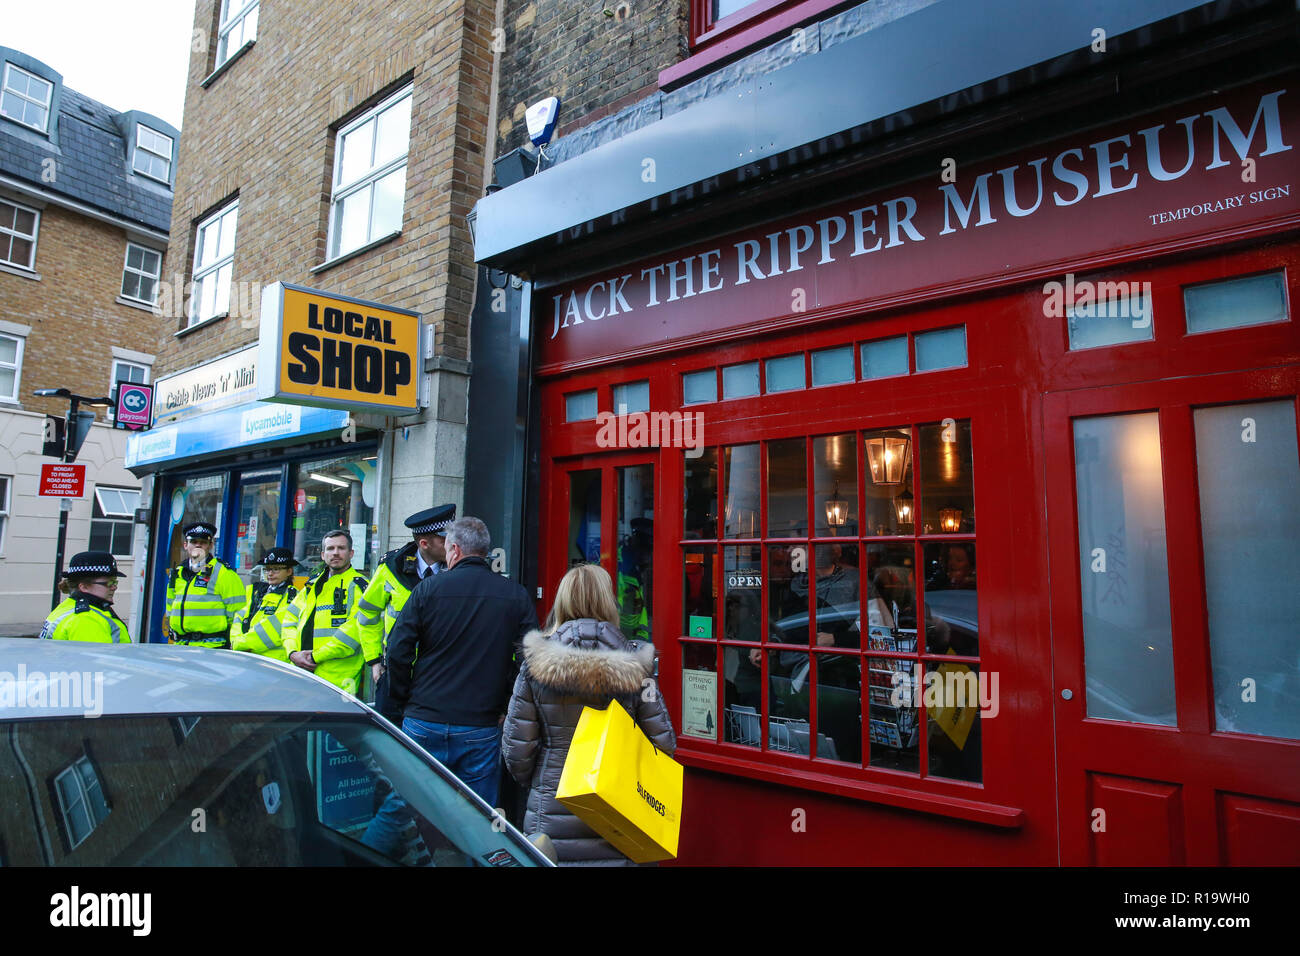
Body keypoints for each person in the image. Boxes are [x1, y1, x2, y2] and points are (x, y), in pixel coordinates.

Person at [502, 563, 676, 865]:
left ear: (563, 601)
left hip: (551, 815)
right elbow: (664, 745)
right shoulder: (639, 663)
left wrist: (545, 780)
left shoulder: (535, 664)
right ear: (608, 602)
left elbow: (517, 753)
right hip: (619, 815)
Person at [384, 516, 538, 807]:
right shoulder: (514, 595)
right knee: (478, 820)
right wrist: (507, 704)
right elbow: (529, 659)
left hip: (424, 718)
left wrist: (403, 699)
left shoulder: (428, 590)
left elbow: (397, 650)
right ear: (485, 551)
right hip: (479, 724)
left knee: (402, 808)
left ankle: (367, 852)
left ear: (453, 549)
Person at [351, 504, 455, 713]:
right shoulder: (391, 567)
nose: (453, 544)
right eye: (445, 539)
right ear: (424, 543)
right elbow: (367, 613)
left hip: (442, 674)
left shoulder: (458, 568)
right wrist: (374, 660)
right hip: (396, 673)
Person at [282, 531, 370, 695]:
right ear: (323, 555)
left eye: (341, 548)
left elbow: (352, 635)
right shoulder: (312, 586)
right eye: (330, 548)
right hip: (303, 674)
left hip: (338, 681)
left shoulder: (360, 586)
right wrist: (292, 653)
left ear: (351, 553)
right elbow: (289, 620)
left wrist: (313, 657)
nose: (335, 552)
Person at [164, 522, 245, 648]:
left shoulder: (224, 573)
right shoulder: (177, 573)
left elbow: (237, 612)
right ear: (185, 545)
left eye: (203, 542)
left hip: (213, 646)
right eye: (193, 541)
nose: (198, 545)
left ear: (211, 545)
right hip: (181, 645)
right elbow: (170, 606)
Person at [41, 552, 131, 643]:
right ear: (83, 587)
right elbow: (98, 656)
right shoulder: (86, 620)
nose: (114, 587)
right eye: (109, 583)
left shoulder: (69, 605)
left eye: (115, 582)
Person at [231, 547, 302, 662]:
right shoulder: (257, 592)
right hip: (249, 658)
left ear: (289, 571)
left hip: (273, 662)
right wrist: (236, 641)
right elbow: (239, 618)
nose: (270, 573)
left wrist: (239, 644)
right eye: (267, 569)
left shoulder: (293, 597)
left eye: (276, 569)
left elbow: (274, 630)